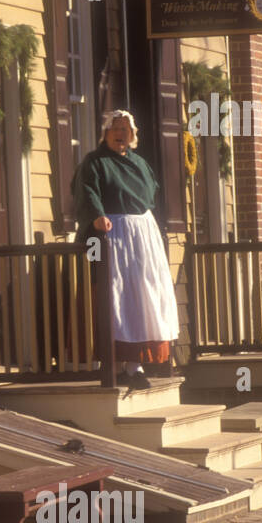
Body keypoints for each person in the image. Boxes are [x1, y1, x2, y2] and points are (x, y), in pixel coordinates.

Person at [70, 109, 179, 387]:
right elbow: (86, 191)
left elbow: (151, 193)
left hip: (141, 236)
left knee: (141, 293)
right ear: (105, 132)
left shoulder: (140, 163)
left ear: (132, 135)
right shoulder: (94, 162)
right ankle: (111, 362)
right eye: (116, 128)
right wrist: (97, 216)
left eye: (126, 130)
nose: (121, 134)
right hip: (111, 235)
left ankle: (135, 365)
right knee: (114, 293)